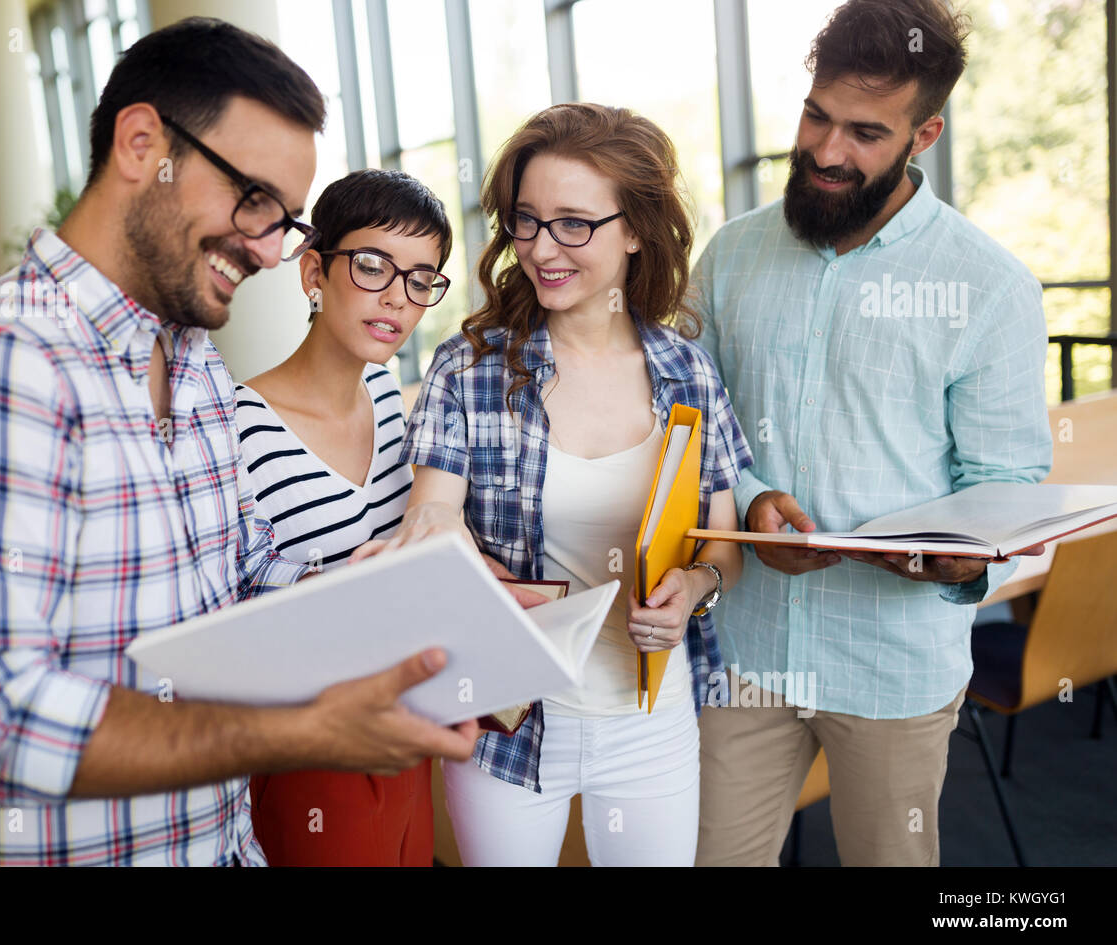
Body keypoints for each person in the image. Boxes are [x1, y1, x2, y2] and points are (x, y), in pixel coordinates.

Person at [0, 17, 477, 867]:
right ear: (142, 143)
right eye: (253, 199)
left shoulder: (192, 367)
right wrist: (297, 731)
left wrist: (425, 597)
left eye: (285, 221)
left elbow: (256, 574)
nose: (268, 249)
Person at [693, 0, 1051, 866]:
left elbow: (1006, 487)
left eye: (864, 132)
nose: (825, 150)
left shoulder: (991, 287)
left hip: (892, 665)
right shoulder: (730, 256)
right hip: (748, 647)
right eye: (816, 115)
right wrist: (749, 498)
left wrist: (963, 556)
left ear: (923, 135)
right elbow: (695, 424)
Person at [353, 103, 751, 866]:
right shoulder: (470, 368)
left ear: (634, 229)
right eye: (527, 222)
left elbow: (722, 548)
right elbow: (433, 508)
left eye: (574, 223)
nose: (541, 248)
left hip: (650, 717)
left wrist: (693, 589)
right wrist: (444, 540)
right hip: (509, 717)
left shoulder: (686, 372)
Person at [235, 168, 454, 865]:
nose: (397, 296)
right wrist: (339, 580)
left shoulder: (389, 393)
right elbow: (233, 589)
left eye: (421, 279)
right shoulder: (238, 427)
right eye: (371, 266)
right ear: (313, 273)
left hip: (404, 718)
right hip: (310, 740)